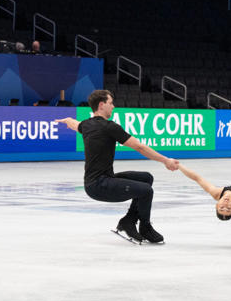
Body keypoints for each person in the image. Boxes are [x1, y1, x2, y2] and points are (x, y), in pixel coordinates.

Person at [55, 90, 180, 243]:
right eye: (111, 103)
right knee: (146, 191)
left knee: (146, 178)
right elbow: (139, 147)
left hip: (97, 182)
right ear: (101, 105)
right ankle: (145, 227)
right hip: (99, 185)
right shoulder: (109, 127)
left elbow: (75, 124)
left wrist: (68, 120)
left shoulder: (87, 124)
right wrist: (166, 160)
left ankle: (128, 221)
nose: (113, 106)